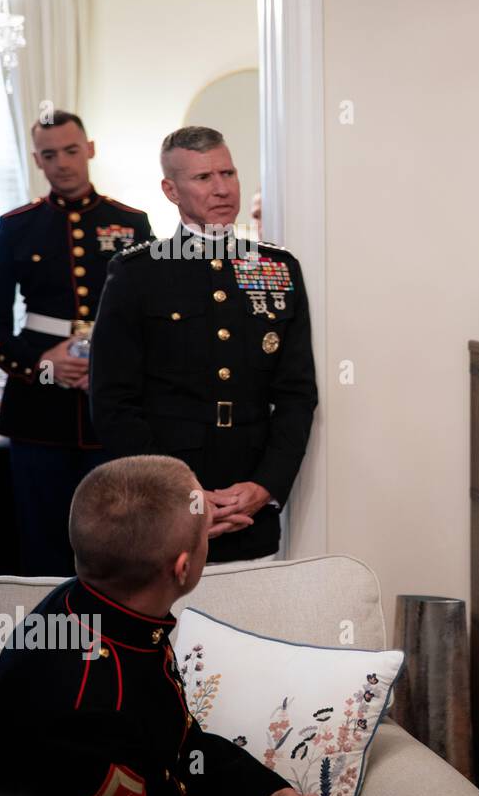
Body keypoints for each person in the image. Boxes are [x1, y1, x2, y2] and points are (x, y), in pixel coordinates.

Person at [0, 454, 323, 796]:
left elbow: (177, 745)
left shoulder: (100, 605)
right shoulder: (89, 707)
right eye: (205, 533)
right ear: (183, 568)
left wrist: (262, 792)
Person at [90, 126, 317, 563]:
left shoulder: (278, 268)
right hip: (162, 507)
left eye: (227, 173)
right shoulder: (137, 273)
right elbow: (113, 403)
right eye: (203, 178)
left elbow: (297, 394)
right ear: (170, 190)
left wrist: (266, 486)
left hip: (250, 505)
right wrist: (178, 493)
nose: (221, 189)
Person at [0, 110, 152, 575]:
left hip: (111, 413)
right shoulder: (15, 226)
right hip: (38, 414)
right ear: (37, 161)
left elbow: (152, 320)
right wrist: (41, 362)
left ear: (90, 149)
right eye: (50, 155)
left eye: (70, 150)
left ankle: (108, 644)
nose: (63, 163)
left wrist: (109, 367)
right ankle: (48, 643)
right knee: (43, 543)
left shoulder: (131, 223)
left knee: (117, 546)